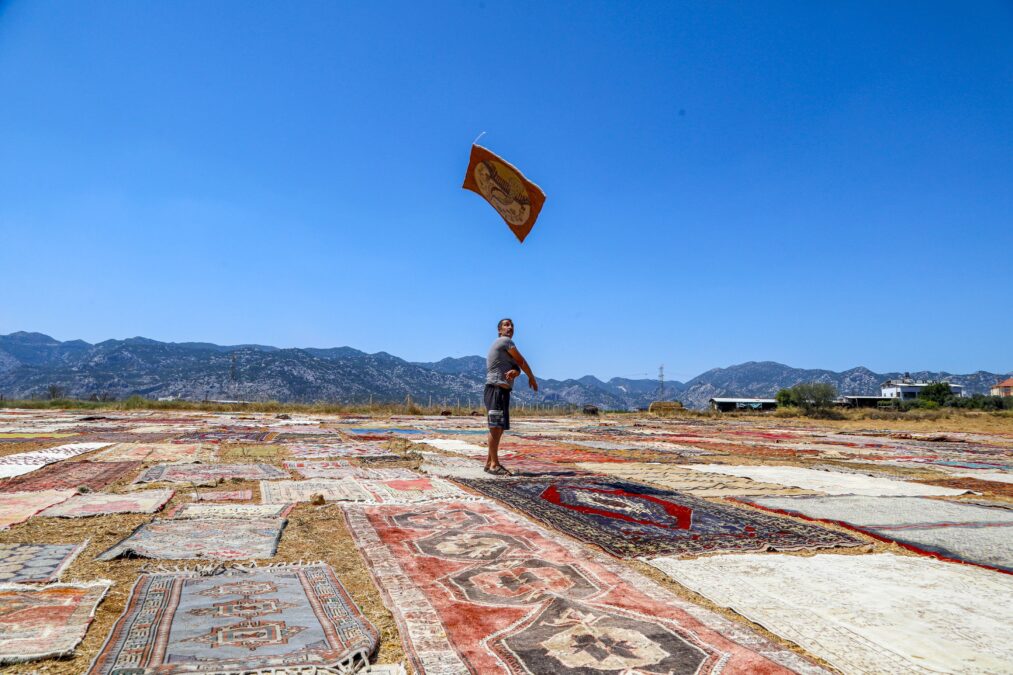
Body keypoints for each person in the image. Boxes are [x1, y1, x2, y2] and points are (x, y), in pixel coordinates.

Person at [484, 317, 538, 475]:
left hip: (502, 391)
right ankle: (494, 465)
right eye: (506, 325)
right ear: (499, 330)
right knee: (495, 427)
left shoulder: (506, 347)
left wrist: (516, 372)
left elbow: (516, 366)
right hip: (495, 389)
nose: (510, 328)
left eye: (512, 325)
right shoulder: (505, 342)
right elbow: (521, 361)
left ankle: (489, 463)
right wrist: (531, 377)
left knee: (499, 428)